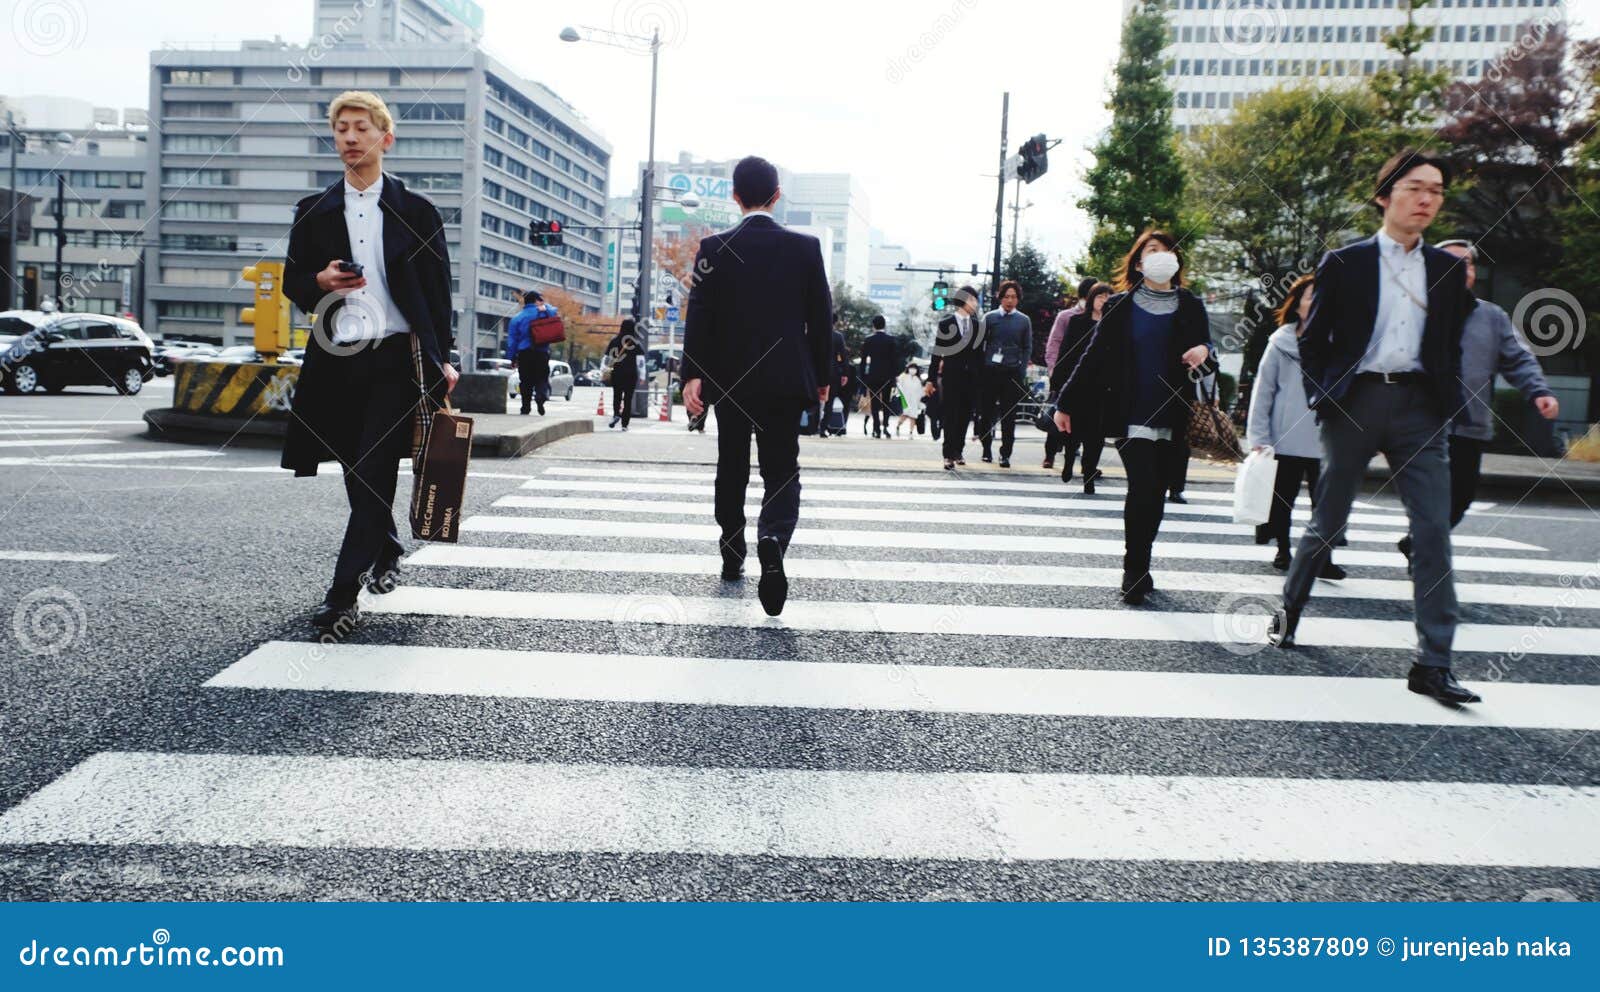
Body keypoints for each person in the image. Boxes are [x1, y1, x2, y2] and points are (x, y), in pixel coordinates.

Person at [1268, 149, 1481, 706]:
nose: (1427, 199)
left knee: (1433, 531)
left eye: (1436, 190)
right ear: (1385, 196)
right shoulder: (1345, 262)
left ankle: (1433, 663)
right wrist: (1325, 397)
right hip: (1356, 402)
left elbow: (1450, 344)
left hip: (1420, 409)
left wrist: (1446, 401)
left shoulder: (1448, 270)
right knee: (1329, 520)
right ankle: (1289, 608)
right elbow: (1313, 341)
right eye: (1415, 188)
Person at [280, 90, 457, 634]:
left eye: (361, 128)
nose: (350, 138)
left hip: (395, 360)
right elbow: (292, 281)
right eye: (340, 129)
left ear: (386, 137)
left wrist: (443, 358)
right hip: (336, 358)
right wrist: (320, 281)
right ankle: (385, 547)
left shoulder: (417, 211)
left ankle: (340, 597)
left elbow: (436, 293)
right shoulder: (313, 212)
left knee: (375, 471)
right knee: (355, 472)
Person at [681, 155, 832, 617]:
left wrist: (692, 375)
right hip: (786, 379)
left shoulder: (713, 248)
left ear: (734, 195)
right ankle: (773, 538)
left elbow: (699, 319)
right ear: (777, 195)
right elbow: (820, 321)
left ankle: (733, 550)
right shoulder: (806, 248)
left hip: (730, 380)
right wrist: (823, 378)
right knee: (781, 468)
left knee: (732, 465)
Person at [1054, 230, 1214, 605]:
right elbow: (1092, 357)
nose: (1161, 256)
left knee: (1157, 492)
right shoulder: (1120, 306)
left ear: (1176, 261)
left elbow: (1208, 354)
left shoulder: (1191, 305)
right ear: (1139, 263)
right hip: (1130, 412)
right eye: (1152, 251)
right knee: (1142, 486)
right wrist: (1065, 403)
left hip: (1174, 412)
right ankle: (1133, 568)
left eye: (1167, 250)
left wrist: (1203, 351)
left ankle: (1143, 562)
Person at [1245, 274, 1344, 578]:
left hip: (1327, 435)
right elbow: (1264, 391)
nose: (1315, 303)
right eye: (1310, 296)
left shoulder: (1340, 341)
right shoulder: (1280, 342)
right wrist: (1259, 436)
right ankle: (1283, 549)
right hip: (1285, 434)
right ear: (1297, 303)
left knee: (1326, 501)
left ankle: (1323, 557)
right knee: (1282, 498)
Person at [1048, 281, 1111, 492]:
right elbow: (1065, 352)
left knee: (1096, 436)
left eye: (1107, 297)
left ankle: (1088, 474)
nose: (1104, 301)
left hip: (1101, 388)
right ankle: (1068, 463)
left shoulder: (1113, 326)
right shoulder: (1076, 322)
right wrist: (1057, 381)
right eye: (1100, 296)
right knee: (1072, 432)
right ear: (1091, 298)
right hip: (1076, 384)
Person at [1043, 276, 1100, 469]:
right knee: (1057, 415)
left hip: (1090, 377)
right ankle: (1049, 454)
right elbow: (1054, 344)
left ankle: (1086, 462)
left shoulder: (1104, 316)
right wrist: (1053, 371)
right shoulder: (1067, 316)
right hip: (1066, 375)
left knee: (1086, 419)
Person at [975, 280, 1033, 467]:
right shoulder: (989, 318)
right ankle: (986, 449)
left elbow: (1027, 347)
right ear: (1000, 298)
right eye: (1007, 296)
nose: (1010, 300)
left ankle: (1005, 453)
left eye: (1014, 297)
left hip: (1012, 373)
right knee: (987, 413)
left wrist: (1021, 368)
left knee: (1009, 416)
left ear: (1018, 299)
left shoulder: (1024, 321)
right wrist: (982, 366)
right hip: (990, 372)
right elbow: (979, 344)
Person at [931, 286, 983, 470]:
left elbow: (979, 356)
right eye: (973, 300)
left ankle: (958, 450)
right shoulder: (946, 324)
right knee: (950, 415)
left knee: (964, 416)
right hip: (951, 377)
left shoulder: (978, 325)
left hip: (971, 379)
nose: (975, 303)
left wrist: (980, 378)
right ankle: (948, 455)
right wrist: (931, 379)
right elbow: (937, 353)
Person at [506, 290, 558, 415]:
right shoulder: (545, 312)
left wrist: (512, 357)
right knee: (542, 378)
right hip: (542, 352)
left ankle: (525, 407)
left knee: (525, 381)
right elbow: (554, 310)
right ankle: (540, 397)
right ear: (536, 300)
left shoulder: (518, 317)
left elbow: (512, 341)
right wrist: (543, 305)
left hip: (524, 353)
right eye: (540, 299)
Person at [858, 314, 897, 438]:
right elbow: (895, 361)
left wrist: (863, 377)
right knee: (886, 402)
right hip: (887, 376)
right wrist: (894, 378)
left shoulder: (869, 340)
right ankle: (885, 426)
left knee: (875, 403)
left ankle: (876, 429)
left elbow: (863, 361)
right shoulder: (891, 340)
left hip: (873, 376)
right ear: (884, 325)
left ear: (873, 326)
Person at [604, 318, 642, 430]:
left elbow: (607, 358)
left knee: (617, 395)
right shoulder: (635, 343)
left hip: (617, 373)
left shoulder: (615, 341)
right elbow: (640, 361)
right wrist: (643, 375)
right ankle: (625, 424)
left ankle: (616, 414)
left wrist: (605, 369)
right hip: (631, 374)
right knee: (628, 399)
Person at [894, 362, 924, 437]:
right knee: (904, 415)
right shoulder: (903, 376)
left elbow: (920, 391)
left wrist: (920, 401)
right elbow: (898, 386)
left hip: (914, 401)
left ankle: (911, 432)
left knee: (913, 417)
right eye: (911, 368)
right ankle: (898, 426)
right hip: (905, 400)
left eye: (914, 368)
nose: (913, 370)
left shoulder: (918, 379)